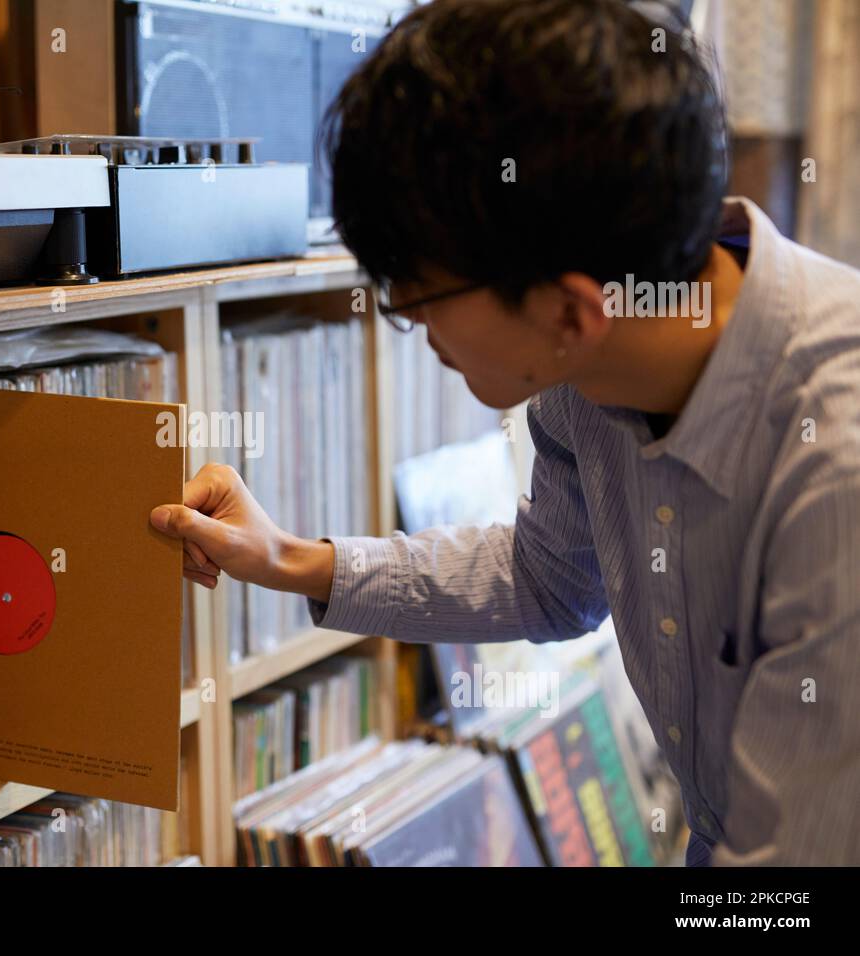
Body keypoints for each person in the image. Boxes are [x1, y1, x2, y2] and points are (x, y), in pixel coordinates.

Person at [149, 0, 860, 866]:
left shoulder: (836, 465)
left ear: (569, 311)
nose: (412, 326)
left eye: (417, 299)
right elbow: (552, 581)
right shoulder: (589, 370)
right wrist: (291, 558)